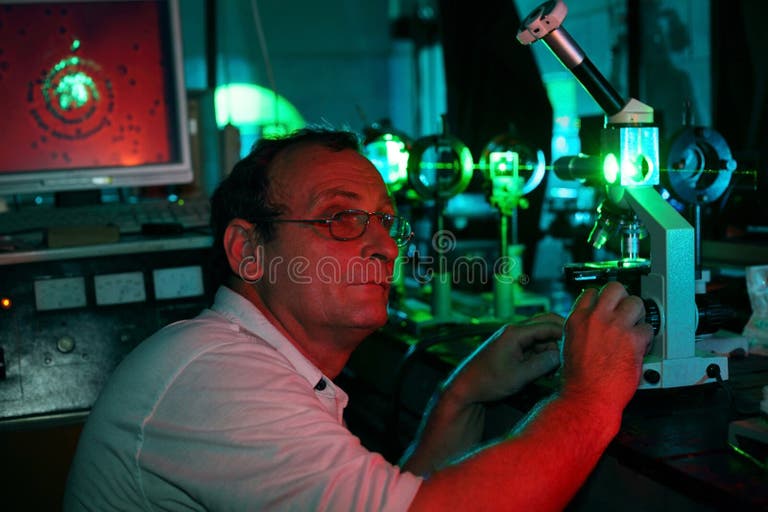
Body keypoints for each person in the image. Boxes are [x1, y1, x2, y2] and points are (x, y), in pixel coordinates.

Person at [64, 127, 652, 511]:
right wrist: (590, 396)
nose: (387, 247)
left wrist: (460, 397)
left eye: (385, 221)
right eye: (342, 219)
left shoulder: (257, 365)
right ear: (248, 251)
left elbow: (392, 500)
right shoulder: (212, 375)